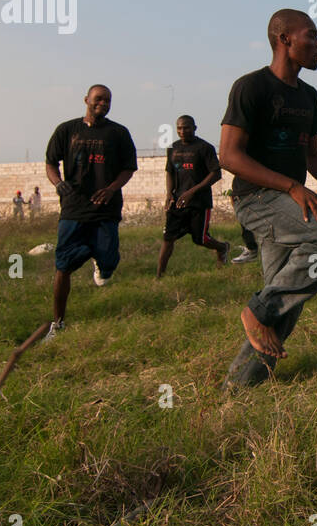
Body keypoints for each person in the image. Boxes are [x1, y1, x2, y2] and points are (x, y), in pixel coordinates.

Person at [219, 9, 317, 388]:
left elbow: (312, 156)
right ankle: (256, 310)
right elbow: (229, 156)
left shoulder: (309, 96)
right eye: (311, 37)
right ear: (285, 39)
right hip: (256, 199)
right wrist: (291, 186)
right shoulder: (250, 87)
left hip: (286, 203)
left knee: (286, 297)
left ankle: (238, 387)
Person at [43, 84, 138, 339]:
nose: (103, 104)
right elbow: (51, 162)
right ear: (86, 99)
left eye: (107, 100)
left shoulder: (118, 133)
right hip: (73, 208)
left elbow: (128, 168)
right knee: (62, 266)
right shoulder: (67, 130)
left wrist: (111, 188)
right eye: (98, 99)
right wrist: (58, 182)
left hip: (106, 209)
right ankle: (58, 323)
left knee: (109, 261)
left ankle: (98, 259)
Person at [156, 115, 229, 277]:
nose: (183, 131)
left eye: (186, 127)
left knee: (200, 239)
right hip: (177, 202)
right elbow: (169, 172)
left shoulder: (204, 148)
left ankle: (222, 247)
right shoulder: (173, 148)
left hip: (199, 203)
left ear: (194, 128)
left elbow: (216, 174)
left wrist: (192, 191)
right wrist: (169, 194)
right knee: (168, 238)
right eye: (179, 128)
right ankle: (159, 275)